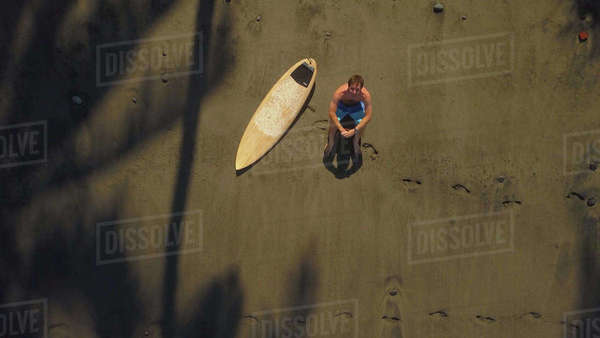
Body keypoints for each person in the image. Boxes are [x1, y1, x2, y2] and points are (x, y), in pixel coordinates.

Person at [324, 74, 372, 162]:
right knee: (333, 122)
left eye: (357, 90)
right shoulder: (340, 93)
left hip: (356, 107)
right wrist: (341, 129)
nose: (354, 92)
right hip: (342, 107)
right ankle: (330, 143)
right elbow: (332, 112)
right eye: (352, 89)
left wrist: (355, 130)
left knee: (363, 123)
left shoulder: (365, 96)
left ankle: (355, 142)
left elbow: (368, 116)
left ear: (361, 89)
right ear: (348, 86)